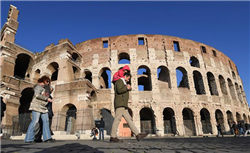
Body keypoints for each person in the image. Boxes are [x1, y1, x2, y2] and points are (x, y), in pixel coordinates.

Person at [110, 72, 148, 142]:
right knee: (117, 120)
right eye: (128, 78)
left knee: (129, 119)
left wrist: (128, 88)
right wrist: (127, 88)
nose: (128, 80)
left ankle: (137, 135)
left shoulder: (123, 82)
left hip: (123, 105)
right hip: (120, 104)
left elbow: (123, 90)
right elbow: (119, 90)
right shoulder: (119, 81)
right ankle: (113, 136)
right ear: (125, 76)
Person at [24, 76, 54, 143]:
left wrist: (50, 90)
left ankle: (47, 138)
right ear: (43, 81)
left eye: (49, 82)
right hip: (36, 106)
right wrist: (47, 99)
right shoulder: (38, 87)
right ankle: (28, 139)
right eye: (47, 81)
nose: (48, 83)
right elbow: (37, 95)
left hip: (43, 107)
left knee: (46, 121)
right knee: (35, 121)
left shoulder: (45, 88)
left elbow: (46, 94)